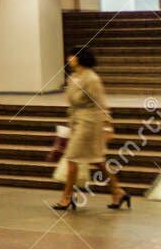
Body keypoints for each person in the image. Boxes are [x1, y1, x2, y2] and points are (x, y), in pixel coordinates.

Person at [54, 48, 127, 210]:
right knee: (97, 160)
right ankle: (117, 191)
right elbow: (72, 104)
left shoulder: (92, 78)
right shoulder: (73, 77)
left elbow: (101, 104)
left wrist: (108, 127)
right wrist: (71, 124)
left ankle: (67, 197)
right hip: (78, 122)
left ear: (80, 58)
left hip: (90, 123)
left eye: (72, 55)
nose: (69, 58)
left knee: (72, 157)